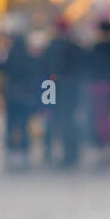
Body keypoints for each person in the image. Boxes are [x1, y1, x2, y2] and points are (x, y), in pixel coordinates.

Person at [42, 19, 84, 167]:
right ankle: (70, 153)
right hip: (69, 90)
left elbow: (45, 68)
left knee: (52, 119)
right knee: (68, 121)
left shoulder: (52, 46)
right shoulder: (74, 46)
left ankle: (49, 151)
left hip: (52, 88)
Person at [88, 19, 110, 165]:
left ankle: (104, 146)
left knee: (101, 117)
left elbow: (93, 65)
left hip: (99, 85)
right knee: (109, 115)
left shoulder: (99, 46)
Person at [2, 33, 37, 166]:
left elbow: (3, 71)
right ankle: (24, 147)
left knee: (11, 122)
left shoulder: (10, 58)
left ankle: (12, 146)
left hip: (11, 95)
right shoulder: (29, 58)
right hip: (25, 95)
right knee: (24, 122)